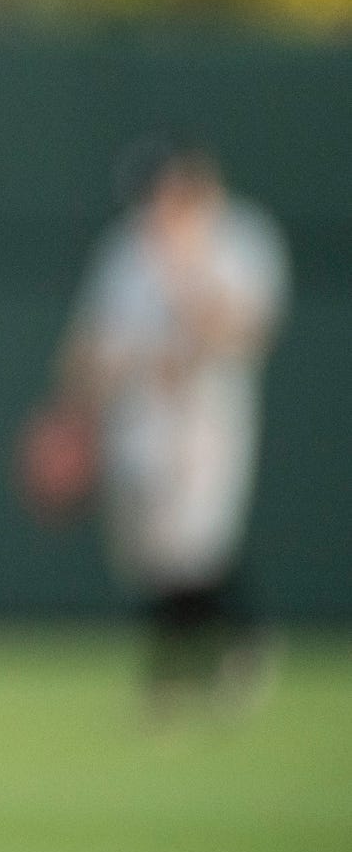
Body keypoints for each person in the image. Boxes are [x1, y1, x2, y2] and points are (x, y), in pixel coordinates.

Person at [35, 137, 288, 717]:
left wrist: (184, 269)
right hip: (134, 420)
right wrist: (74, 405)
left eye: (168, 192)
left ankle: (208, 659)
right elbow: (87, 344)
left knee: (195, 545)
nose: (156, 205)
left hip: (204, 423)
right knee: (148, 557)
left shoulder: (239, 239)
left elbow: (245, 331)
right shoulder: (125, 249)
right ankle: (214, 654)